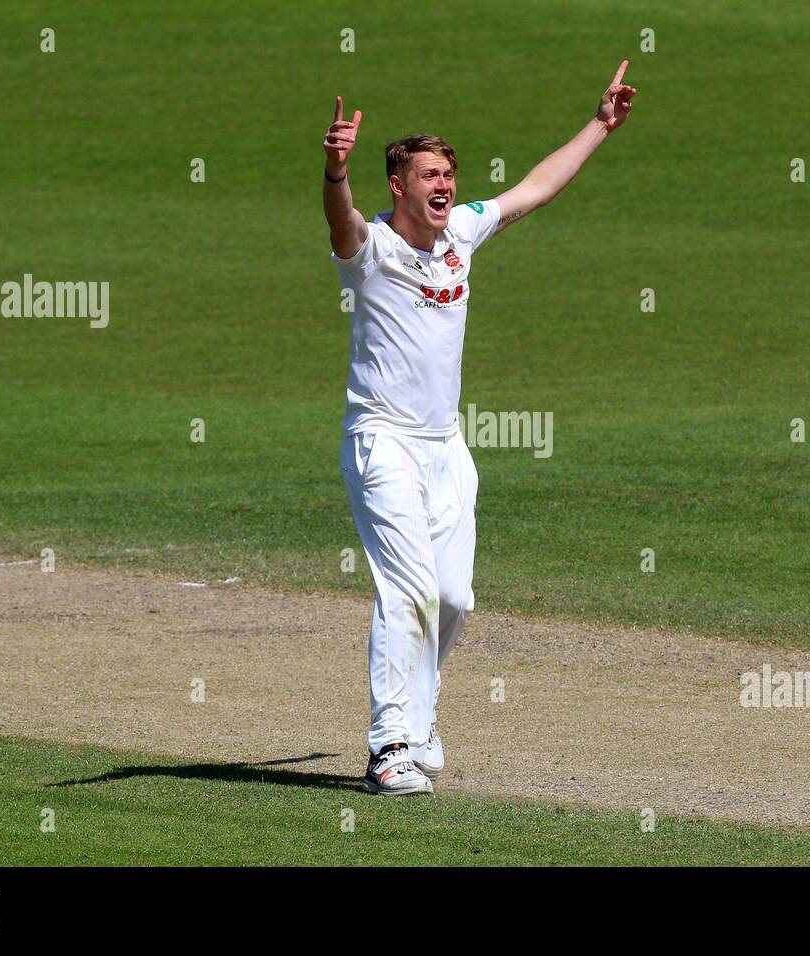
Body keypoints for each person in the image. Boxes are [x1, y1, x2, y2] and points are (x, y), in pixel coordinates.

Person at [323, 61, 637, 795]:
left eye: (449, 175)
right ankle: (388, 749)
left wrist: (599, 124)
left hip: (445, 448)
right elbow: (339, 223)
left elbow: (535, 189)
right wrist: (335, 172)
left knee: (455, 598)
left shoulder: (461, 235)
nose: (444, 187)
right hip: (382, 443)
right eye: (429, 176)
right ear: (397, 185)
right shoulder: (371, 251)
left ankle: (420, 718)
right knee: (406, 591)